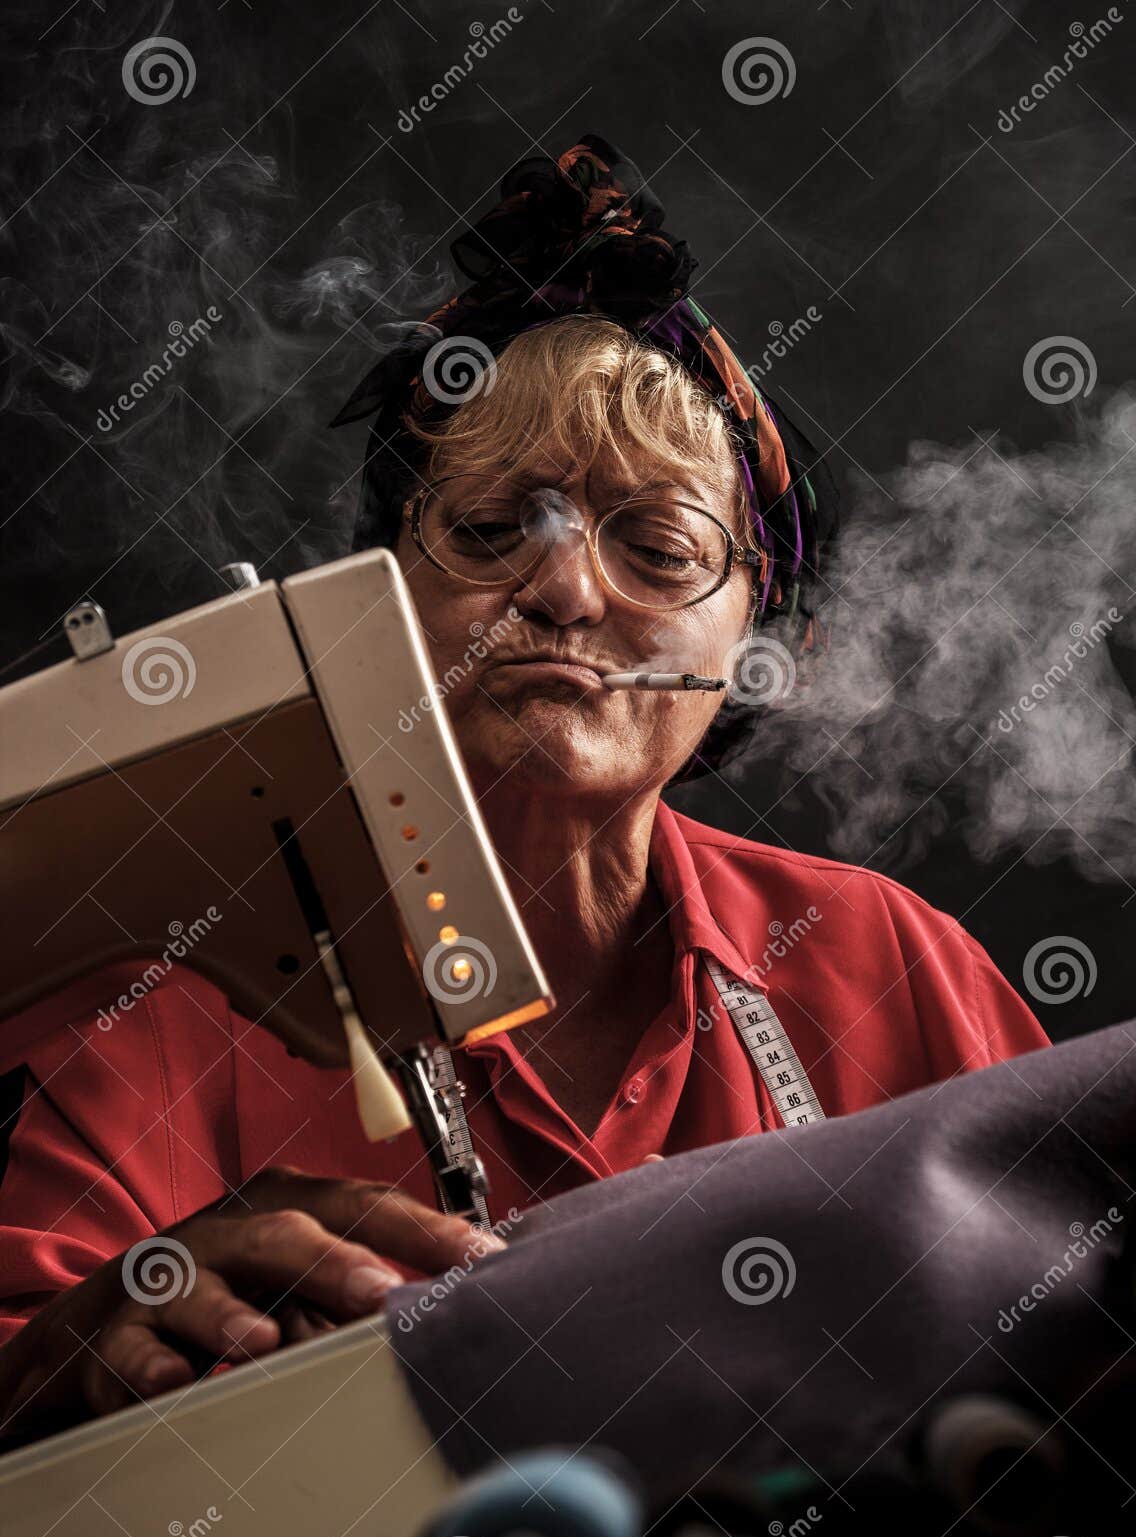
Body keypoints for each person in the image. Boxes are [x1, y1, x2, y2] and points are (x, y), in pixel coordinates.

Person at [0, 136, 1047, 1438]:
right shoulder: (180, 994)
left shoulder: (894, 965)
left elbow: (1100, 1365)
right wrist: (91, 1349)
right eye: (493, 529)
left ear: (768, 648)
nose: (563, 589)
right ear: (378, 600)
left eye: (659, 547)